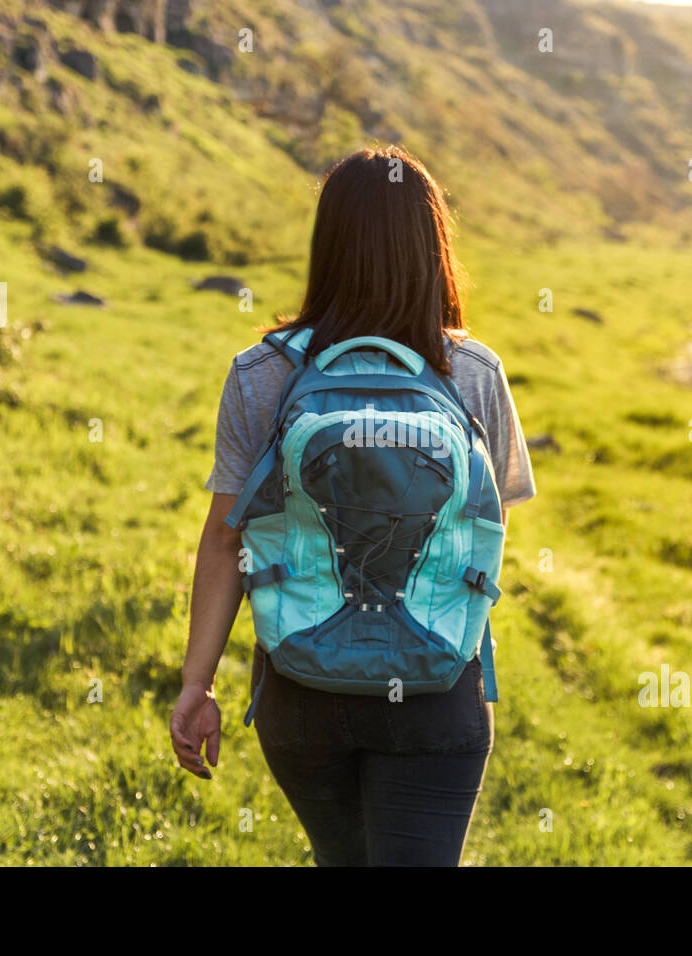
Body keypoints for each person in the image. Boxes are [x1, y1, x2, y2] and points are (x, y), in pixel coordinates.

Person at [169, 145, 536, 866]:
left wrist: (197, 683)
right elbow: (486, 534)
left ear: (327, 244)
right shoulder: (472, 370)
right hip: (437, 689)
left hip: (302, 688)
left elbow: (224, 538)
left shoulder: (263, 371)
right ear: (433, 247)